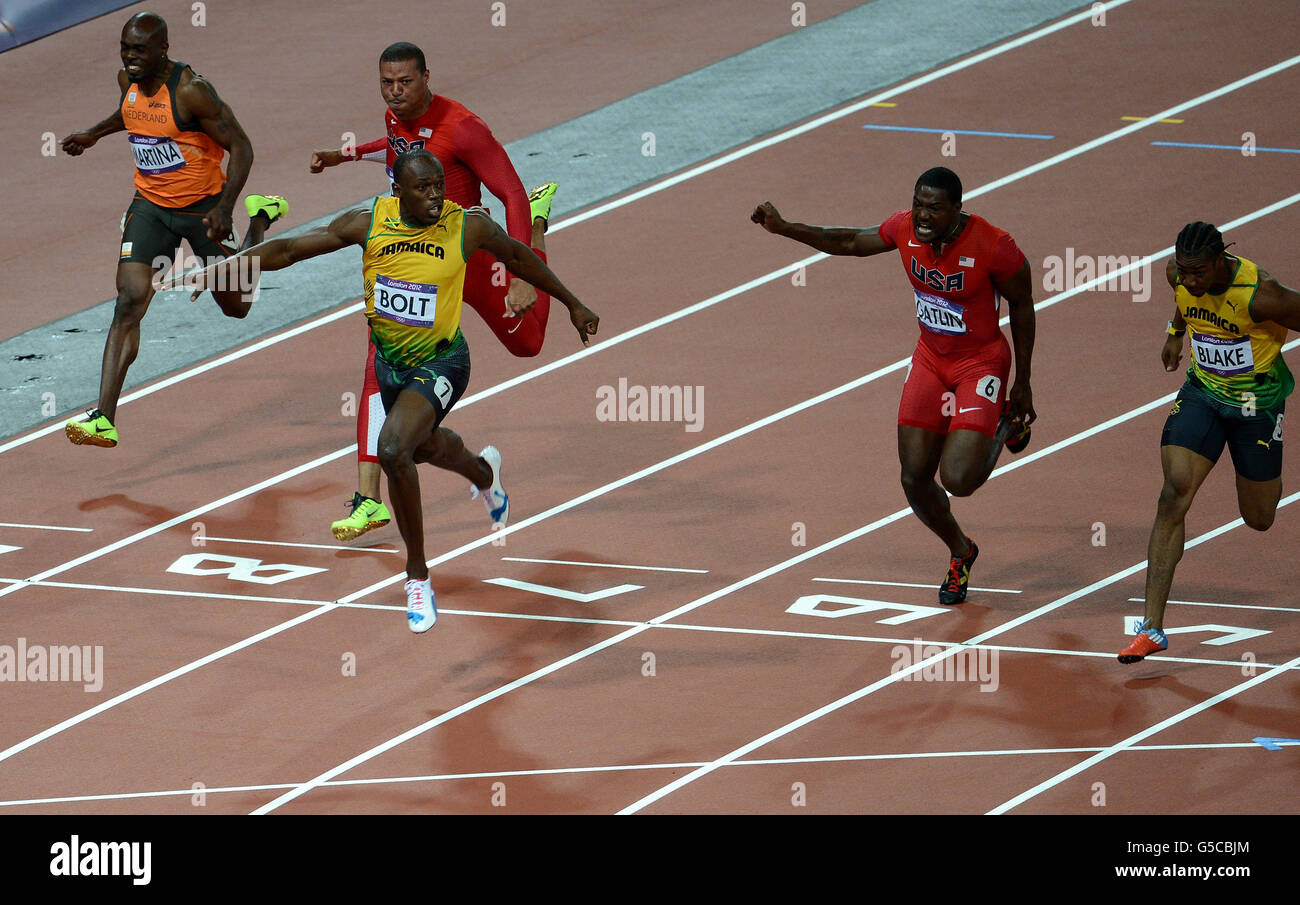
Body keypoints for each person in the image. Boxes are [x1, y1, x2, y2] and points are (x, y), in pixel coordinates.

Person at [188, 149, 598, 632]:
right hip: (391, 367)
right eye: (423, 189)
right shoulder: (370, 224)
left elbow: (518, 257)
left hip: (443, 361)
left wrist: (572, 302)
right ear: (397, 192)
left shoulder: (466, 227)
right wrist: (229, 267)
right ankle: (485, 473)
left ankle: (417, 576)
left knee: (393, 448)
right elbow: (292, 249)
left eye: (439, 186)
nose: (435, 195)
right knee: (422, 448)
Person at [310, 41, 597, 542]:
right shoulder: (396, 116)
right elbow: (395, 146)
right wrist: (344, 155)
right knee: (378, 366)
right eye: (387, 84)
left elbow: (508, 192)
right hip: (412, 262)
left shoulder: (463, 126)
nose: (396, 93)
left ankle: (542, 224)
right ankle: (367, 500)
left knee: (528, 344)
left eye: (406, 82)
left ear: (427, 78)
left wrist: (521, 278)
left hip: (470, 253)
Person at [752, 166, 1036, 605]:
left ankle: (1004, 425)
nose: (923, 216)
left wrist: (1023, 382)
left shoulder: (994, 246)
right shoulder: (904, 228)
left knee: (958, 479)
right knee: (914, 478)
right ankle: (962, 552)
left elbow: (1022, 304)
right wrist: (786, 229)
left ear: (958, 210)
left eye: (935, 208)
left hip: (980, 365)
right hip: (930, 360)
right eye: (919, 204)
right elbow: (848, 241)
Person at [60, 11, 287, 448]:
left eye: (140, 50)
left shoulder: (191, 92)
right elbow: (132, 114)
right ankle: (103, 416)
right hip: (150, 206)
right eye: (125, 48)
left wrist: (227, 207)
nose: (130, 57)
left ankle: (260, 219)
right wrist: (93, 133)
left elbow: (241, 146)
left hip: (204, 210)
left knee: (236, 306)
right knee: (129, 299)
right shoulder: (128, 79)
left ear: (163, 49)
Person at [1120, 222, 1298, 663]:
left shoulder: (1264, 295)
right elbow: (1184, 302)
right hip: (1202, 392)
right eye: (1184, 271)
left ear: (1221, 260)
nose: (1190, 281)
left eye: (1199, 273)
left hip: (1257, 403)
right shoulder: (1178, 275)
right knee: (1172, 495)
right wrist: (1174, 332)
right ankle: (1152, 629)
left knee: (1258, 518)